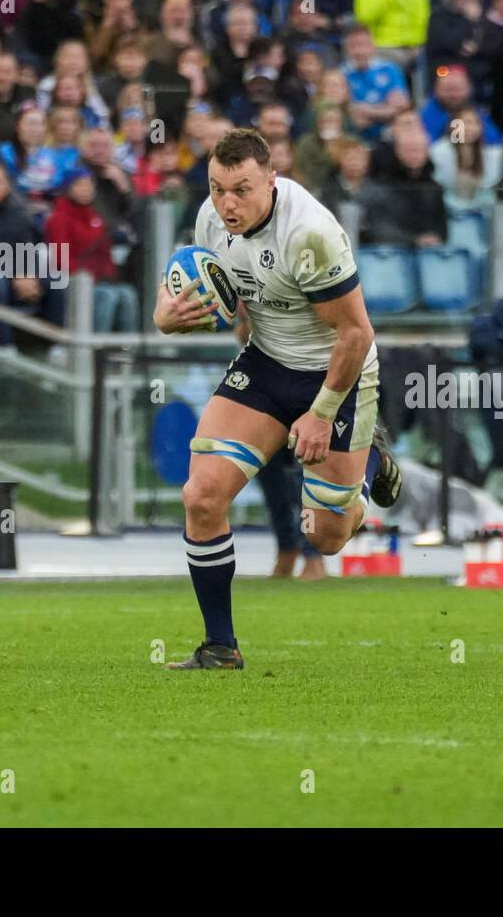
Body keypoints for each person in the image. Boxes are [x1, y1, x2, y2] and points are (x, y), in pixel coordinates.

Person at [152, 128, 403, 670]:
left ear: (272, 178)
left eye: (241, 189)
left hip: (337, 371)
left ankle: (370, 463)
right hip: (265, 363)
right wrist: (166, 315)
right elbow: (186, 277)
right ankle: (220, 646)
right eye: (218, 189)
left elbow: (355, 334)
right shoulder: (211, 217)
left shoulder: (309, 232)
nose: (228, 204)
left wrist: (320, 413)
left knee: (328, 535)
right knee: (201, 495)